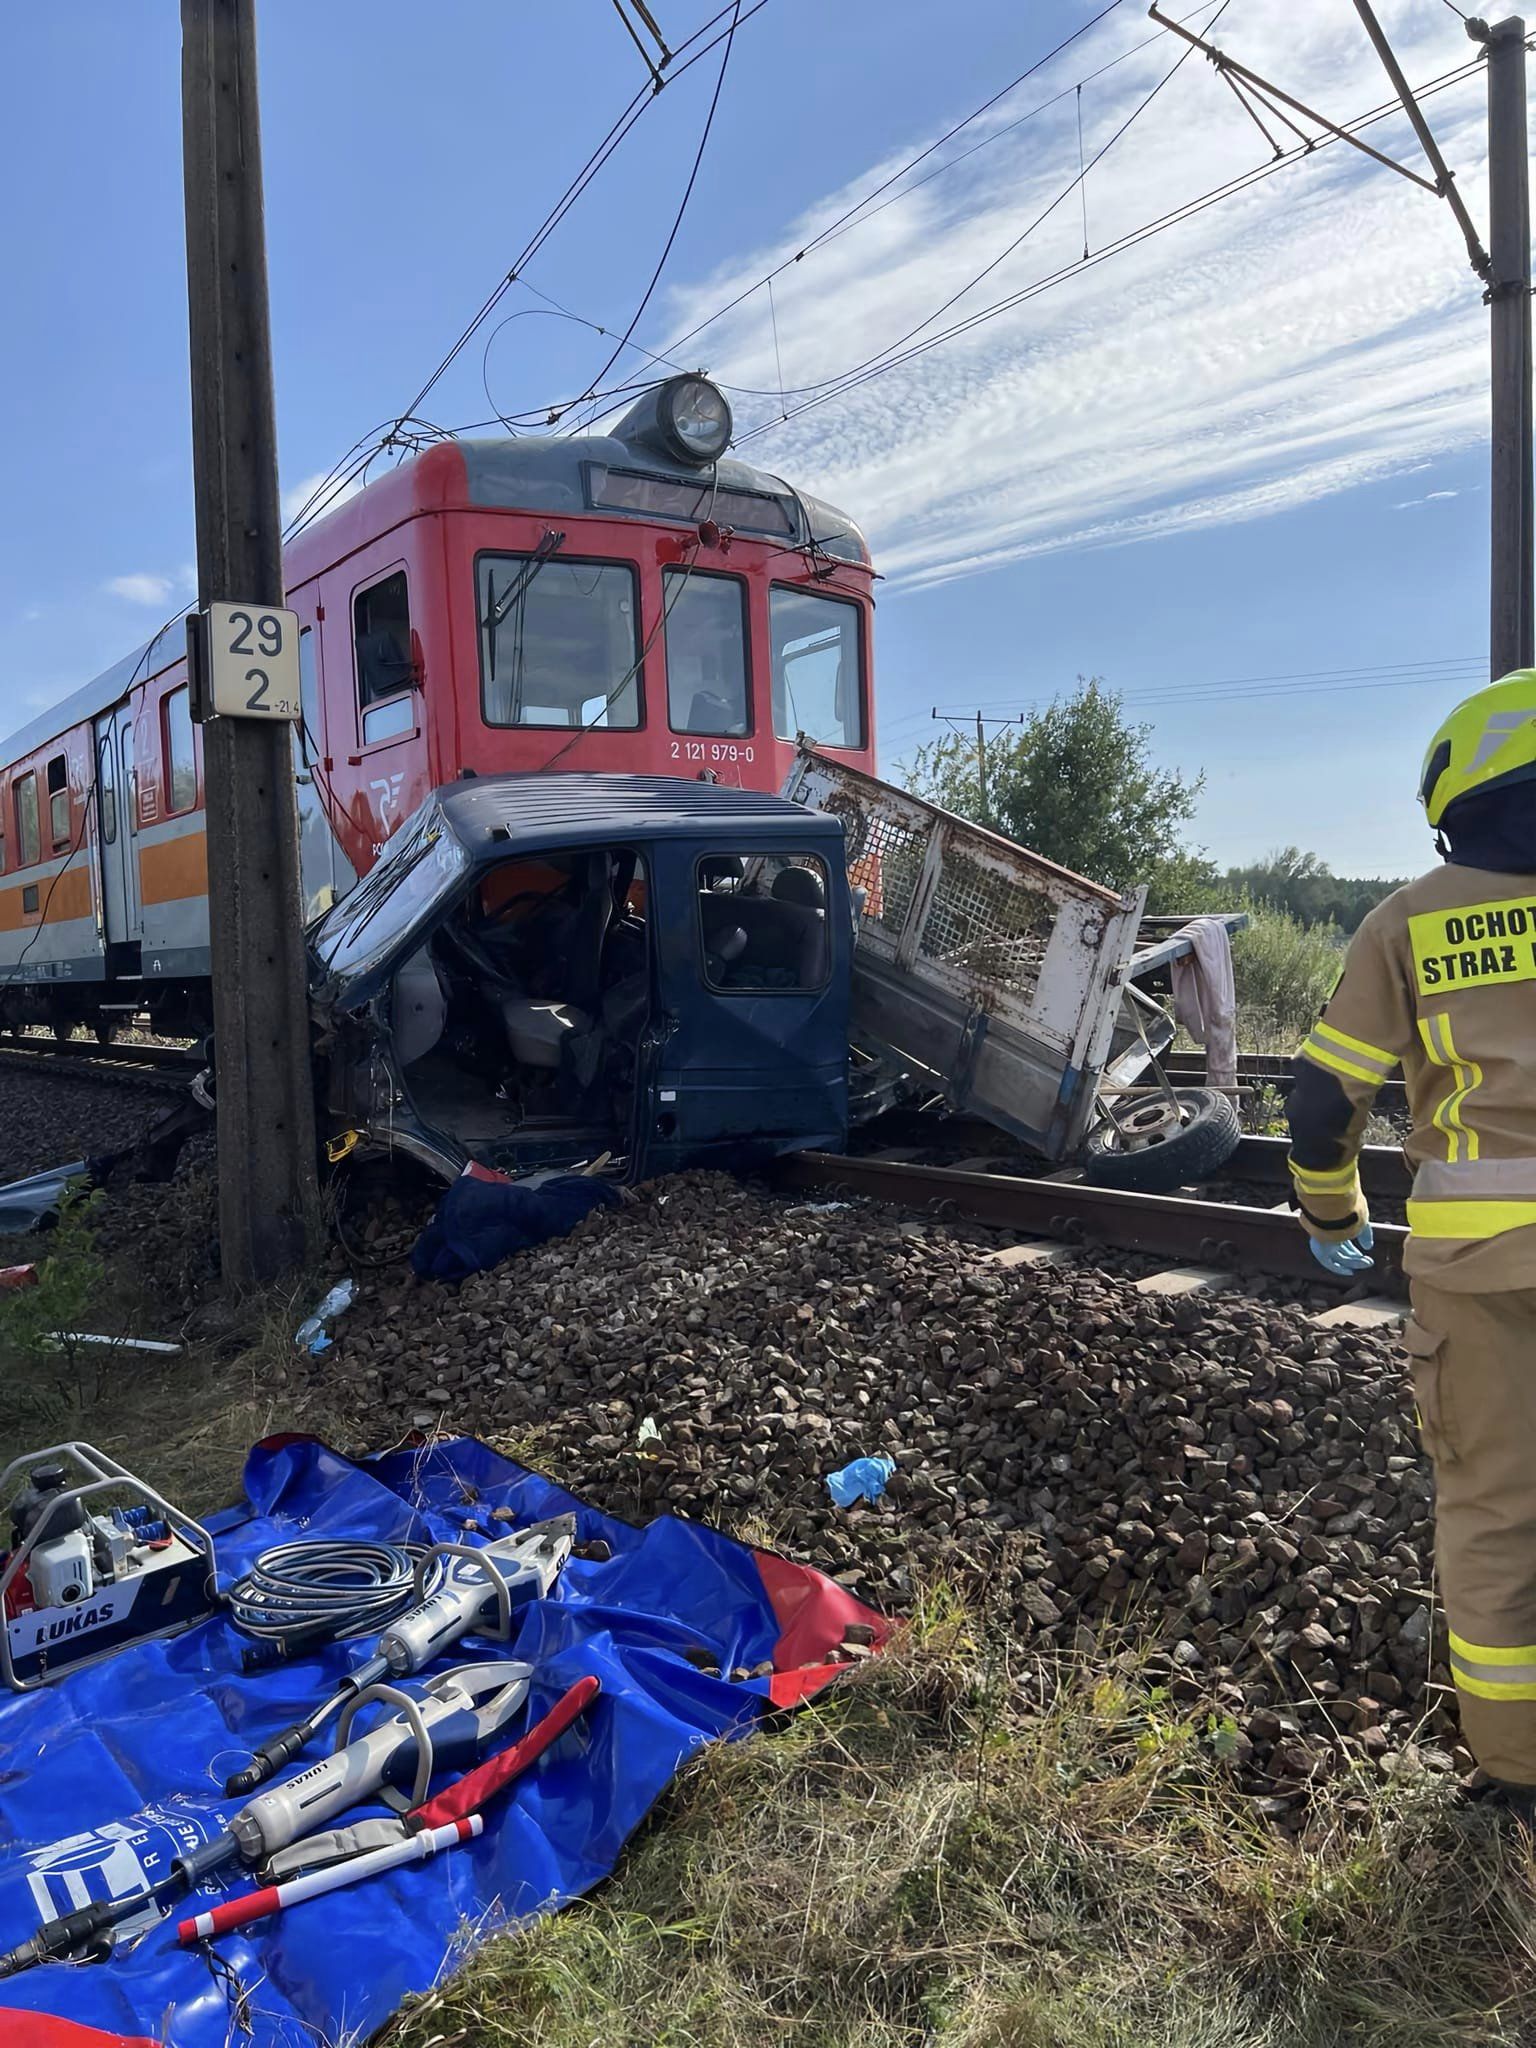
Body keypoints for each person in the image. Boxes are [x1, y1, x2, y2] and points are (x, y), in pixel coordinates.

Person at [1285, 672, 1536, 1809]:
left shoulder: (1412, 920)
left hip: (1480, 1271)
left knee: (1493, 1511)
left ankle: (1519, 1777)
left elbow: (1324, 1101)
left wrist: (1334, 1212)